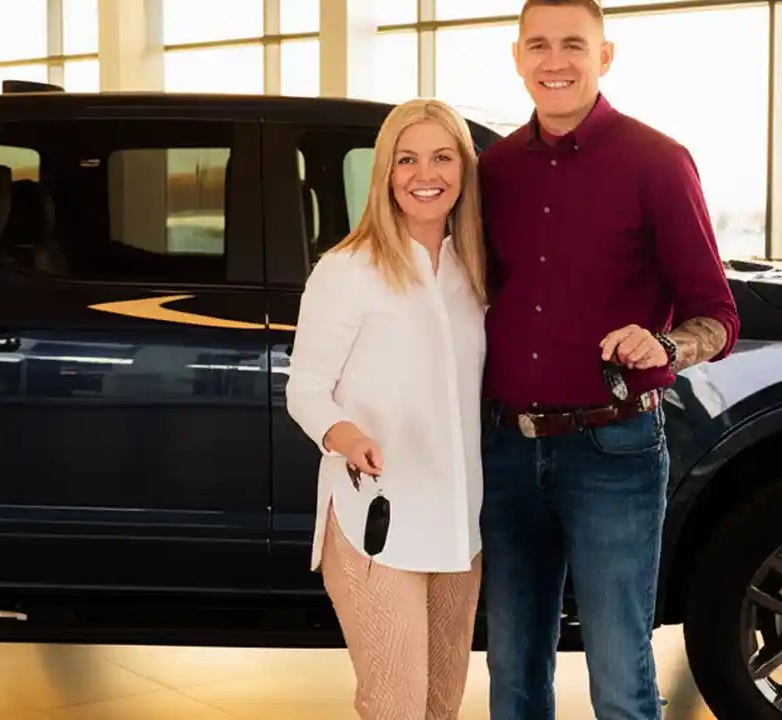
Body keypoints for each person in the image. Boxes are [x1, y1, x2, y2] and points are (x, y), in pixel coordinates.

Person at [477, 1, 742, 718]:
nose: (554, 61)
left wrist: (665, 345)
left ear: (606, 54)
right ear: (517, 56)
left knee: (621, 678)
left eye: (572, 45)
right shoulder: (494, 170)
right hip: (505, 449)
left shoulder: (657, 162)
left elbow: (717, 316)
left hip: (613, 448)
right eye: (538, 45)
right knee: (512, 674)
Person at [285, 97, 488, 720]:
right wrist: (346, 435)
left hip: (459, 522)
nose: (424, 174)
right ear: (385, 173)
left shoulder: (472, 271)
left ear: (463, 170)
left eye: (441, 157)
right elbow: (305, 388)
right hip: (376, 513)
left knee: (440, 705)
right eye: (407, 159)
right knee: (395, 706)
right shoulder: (347, 270)